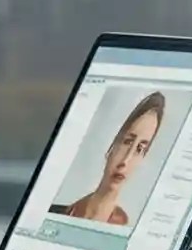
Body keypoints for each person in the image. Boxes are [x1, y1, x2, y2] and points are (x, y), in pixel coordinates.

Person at [49, 91, 167, 227]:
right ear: (111, 143)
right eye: (127, 142)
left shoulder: (124, 230)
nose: (126, 160)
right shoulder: (54, 213)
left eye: (140, 149)